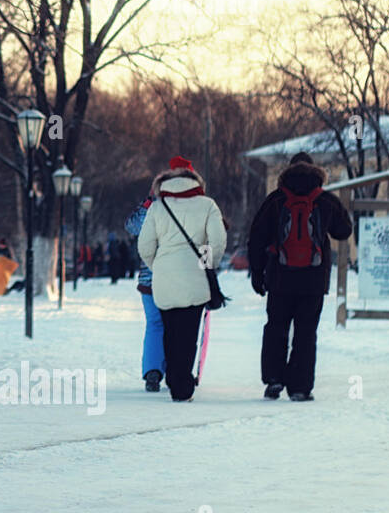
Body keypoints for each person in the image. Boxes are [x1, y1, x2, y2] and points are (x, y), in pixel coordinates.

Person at [246, 152, 352, 401]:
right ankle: (300, 388)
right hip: (313, 280)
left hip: (280, 278)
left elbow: (257, 237)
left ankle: (274, 379)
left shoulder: (276, 199)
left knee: (276, 328)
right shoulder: (325, 199)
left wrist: (257, 273)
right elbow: (344, 230)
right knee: (306, 332)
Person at [137, 155, 228, 402]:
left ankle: (173, 378)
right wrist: (206, 264)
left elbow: (144, 246)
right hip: (195, 279)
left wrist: (159, 266)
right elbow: (217, 241)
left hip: (164, 280)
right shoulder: (207, 205)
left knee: (169, 331)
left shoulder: (157, 207)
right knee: (188, 334)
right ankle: (182, 385)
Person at [125, 182, 165, 392]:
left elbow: (132, 226)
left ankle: (152, 372)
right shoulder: (189, 207)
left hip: (149, 279)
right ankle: (178, 369)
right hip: (180, 278)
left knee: (155, 325)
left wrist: (148, 202)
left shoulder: (150, 209)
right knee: (178, 325)